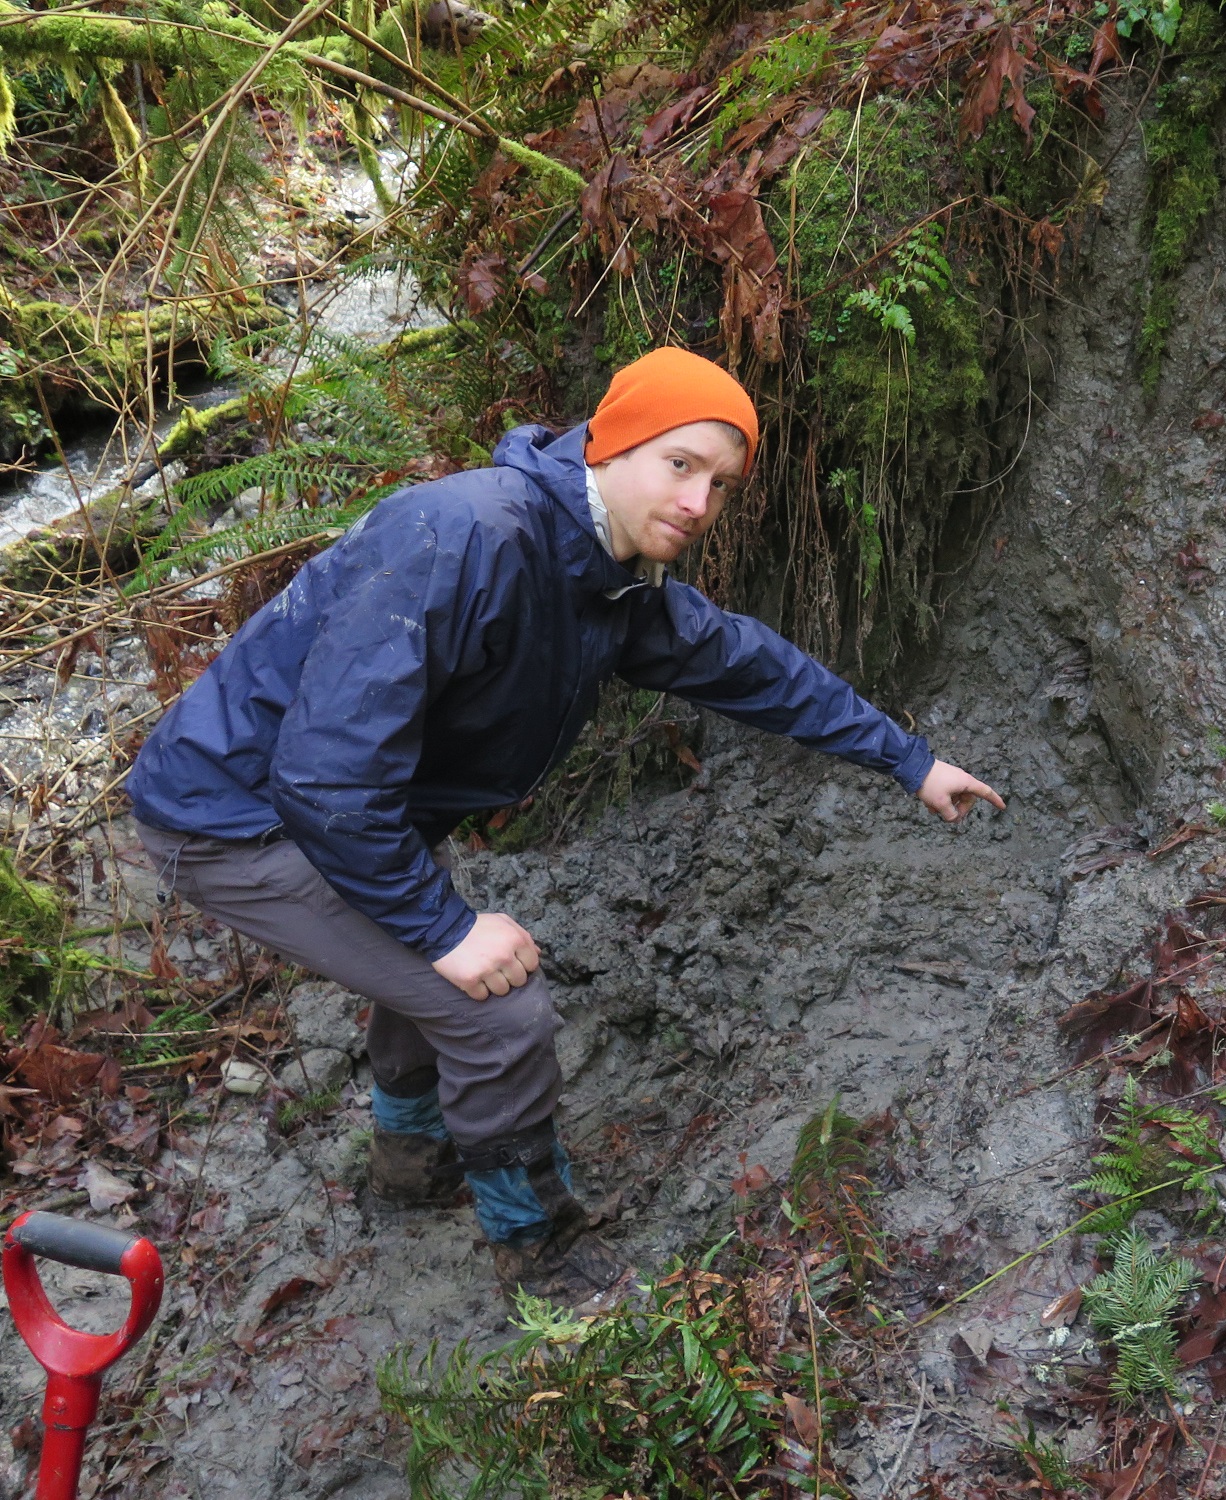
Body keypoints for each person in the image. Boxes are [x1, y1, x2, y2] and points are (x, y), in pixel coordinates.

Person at [126, 347, 1003, 1306]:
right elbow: (324, 775)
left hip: (344, 804)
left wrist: (909, 762)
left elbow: (749, 665)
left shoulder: (607, 575)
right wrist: (445, 929)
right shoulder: (466, 535)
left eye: (721, 484)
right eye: (679, 464)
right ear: (610, 443)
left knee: (438, 969)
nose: (699, 502)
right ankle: (542, 1256)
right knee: (495, 1009)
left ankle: (411, 1166)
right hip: (237, 816)